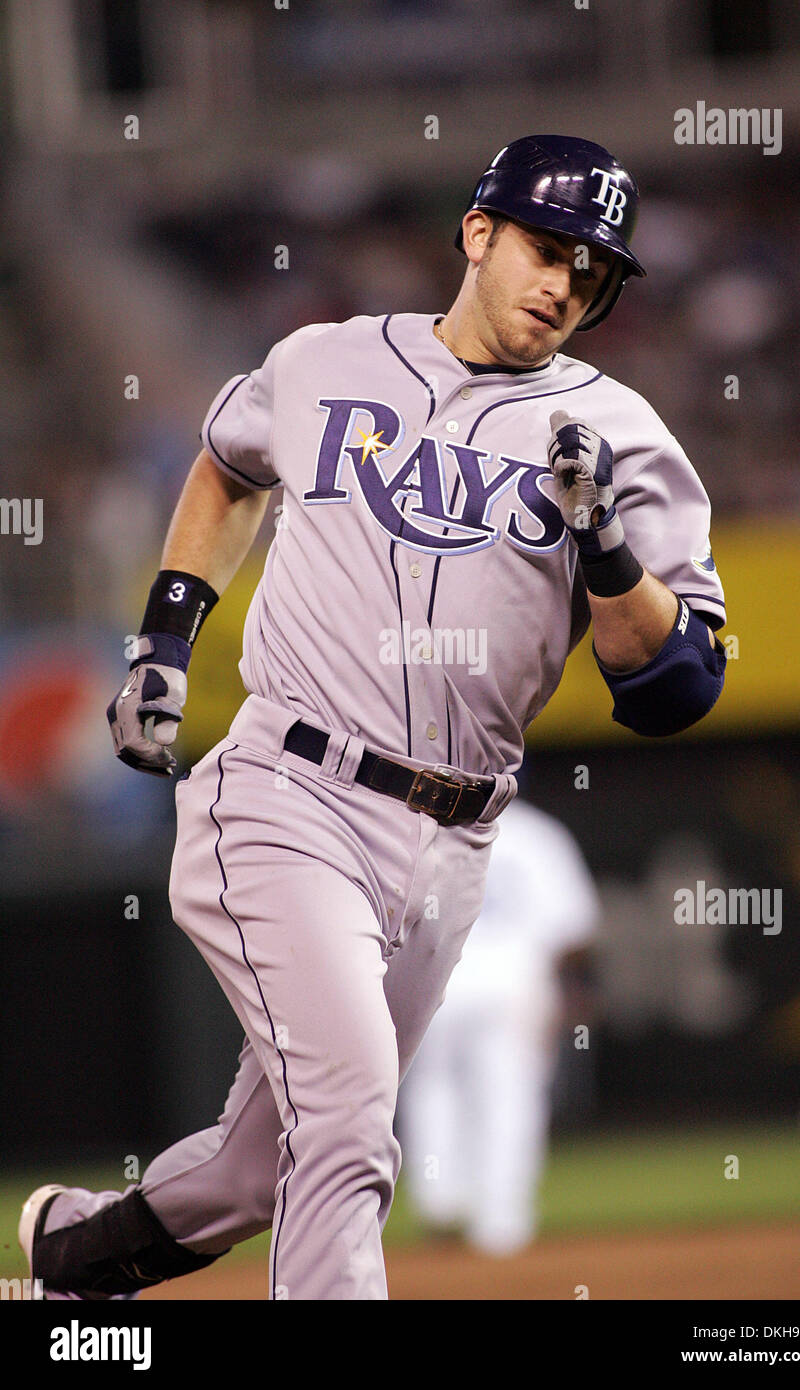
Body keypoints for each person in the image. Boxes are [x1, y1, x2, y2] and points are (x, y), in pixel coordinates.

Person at [19, 135, 726, 1301]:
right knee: (347, 1125)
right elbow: (225, 466)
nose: (563, 285)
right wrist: (160, 644)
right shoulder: (326, 360)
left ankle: (76, 1255)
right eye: (547, 250)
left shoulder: (625, 435)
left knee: (260, 1170)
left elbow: (675, 688)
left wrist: (602, 544)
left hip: (451, 846)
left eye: (591, 272)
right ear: (477, 232)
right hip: (288, 790)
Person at [398, 796, 600, 1255]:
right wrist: (571, 992)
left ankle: (440, 1202)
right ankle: (502, 1224)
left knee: (430, 1090)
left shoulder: (428, 828)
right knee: (510, 1097)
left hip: (436, 983)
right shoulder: (537, 833)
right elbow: (574, 931)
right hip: (513, 987)